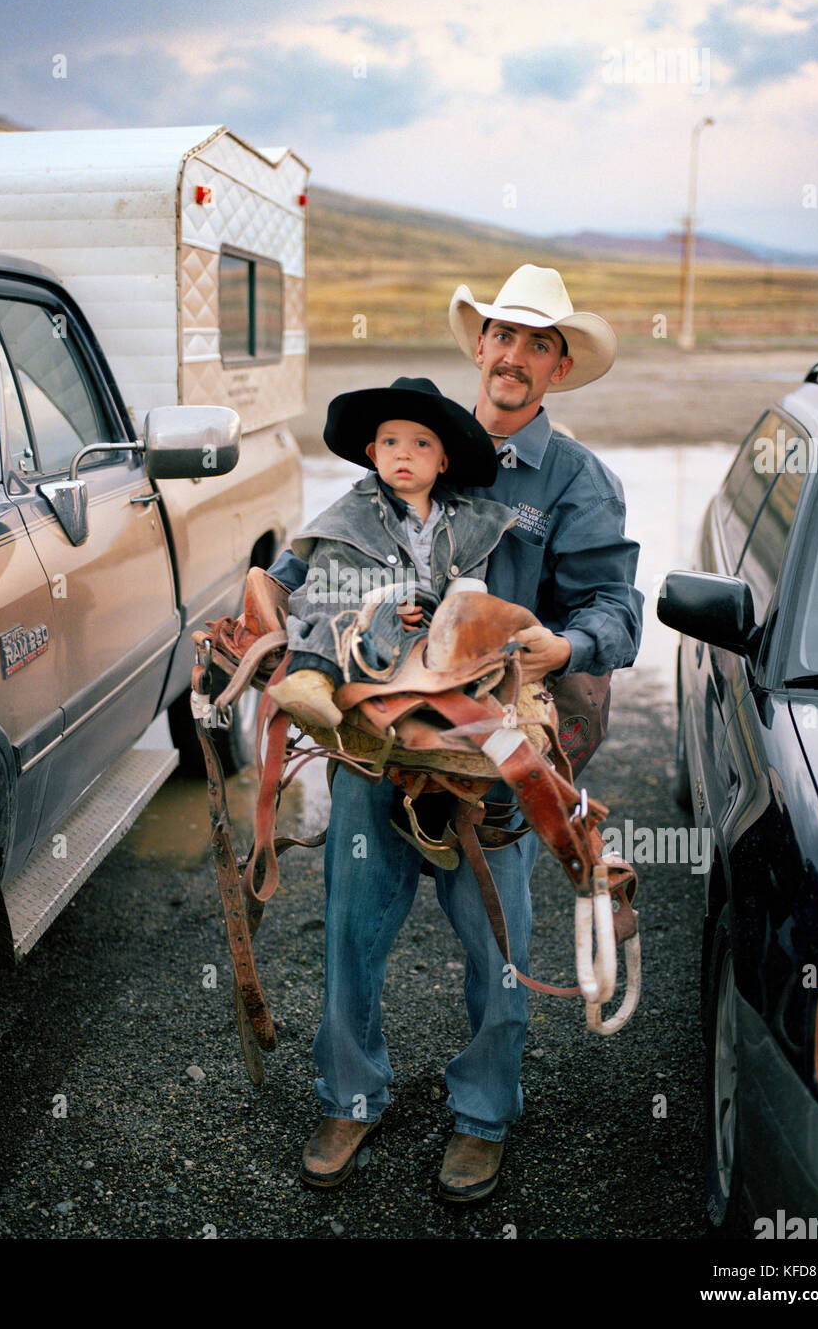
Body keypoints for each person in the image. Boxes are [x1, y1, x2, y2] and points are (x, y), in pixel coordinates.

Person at [268, 264, 643, 1202]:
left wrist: (565, 646)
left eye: (536, 342)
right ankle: (349, 1095)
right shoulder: (412, 452)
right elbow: (326, 544)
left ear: (558, 366)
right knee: (351, 929)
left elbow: (616, 606)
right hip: (379, 742)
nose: (512, 355)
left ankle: (482, 1114)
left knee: (497, 944)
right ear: (478, 346)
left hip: (494, 754)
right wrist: (274, 593)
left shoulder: (577, 480)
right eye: (501, 335)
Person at [267, 376, 516, 730]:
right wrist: (381, 607)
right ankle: (313, 682)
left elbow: (470, 581)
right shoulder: (350, 517)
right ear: (374, 454)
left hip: (430, 634)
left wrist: (455, 614)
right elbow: (327, 583)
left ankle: (462, 704)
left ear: (443, 462)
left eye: (421, 443)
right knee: (326, 614)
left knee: (477, 639)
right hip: (363, 627)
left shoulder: (468, 523)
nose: (404, 452)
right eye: (390, 442)